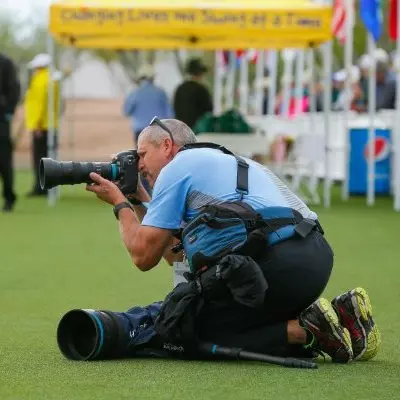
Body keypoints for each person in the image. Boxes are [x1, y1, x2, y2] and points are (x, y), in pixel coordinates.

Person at [85, 118, 380, 362]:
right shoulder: (228, 162)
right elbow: (174, 256)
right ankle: (344, 316)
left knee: (188, 327)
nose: (139, 166)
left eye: (142, 155)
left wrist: (119, 202)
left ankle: (305, 329)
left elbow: (143, 256)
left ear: (167, 146)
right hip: (314, 257)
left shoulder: (176, 168)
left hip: (274, 265)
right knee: (227, 309)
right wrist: (138, 198)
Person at [24, 53, 60, 197]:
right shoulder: (53, 79)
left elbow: (39, 104)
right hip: (51, 124)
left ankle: (40, 188)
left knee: (39, 158)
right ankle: (49, 186)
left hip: (41, 125)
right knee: (50, 157)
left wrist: (37, 124)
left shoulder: (39, 80)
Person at [123, 64, 174, 147]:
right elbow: (170, 114)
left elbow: (126, 112)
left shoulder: (134, 92)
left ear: (140, 78)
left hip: (140, 131)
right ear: (153, 78)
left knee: (141, 156)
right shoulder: (161, 92)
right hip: (158, 130)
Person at [0, 53, 20, 212]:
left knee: (4, 161)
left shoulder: (5, 63)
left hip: (1, 120)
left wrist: (8, 111)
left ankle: (9, 197)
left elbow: (14, 88)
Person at [173, 58, 213, 129]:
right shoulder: (201, 89)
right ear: (200, 74)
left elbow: (175, 109)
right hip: (197, 130)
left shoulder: (180, 88)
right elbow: (209, 111)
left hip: (181, 129)